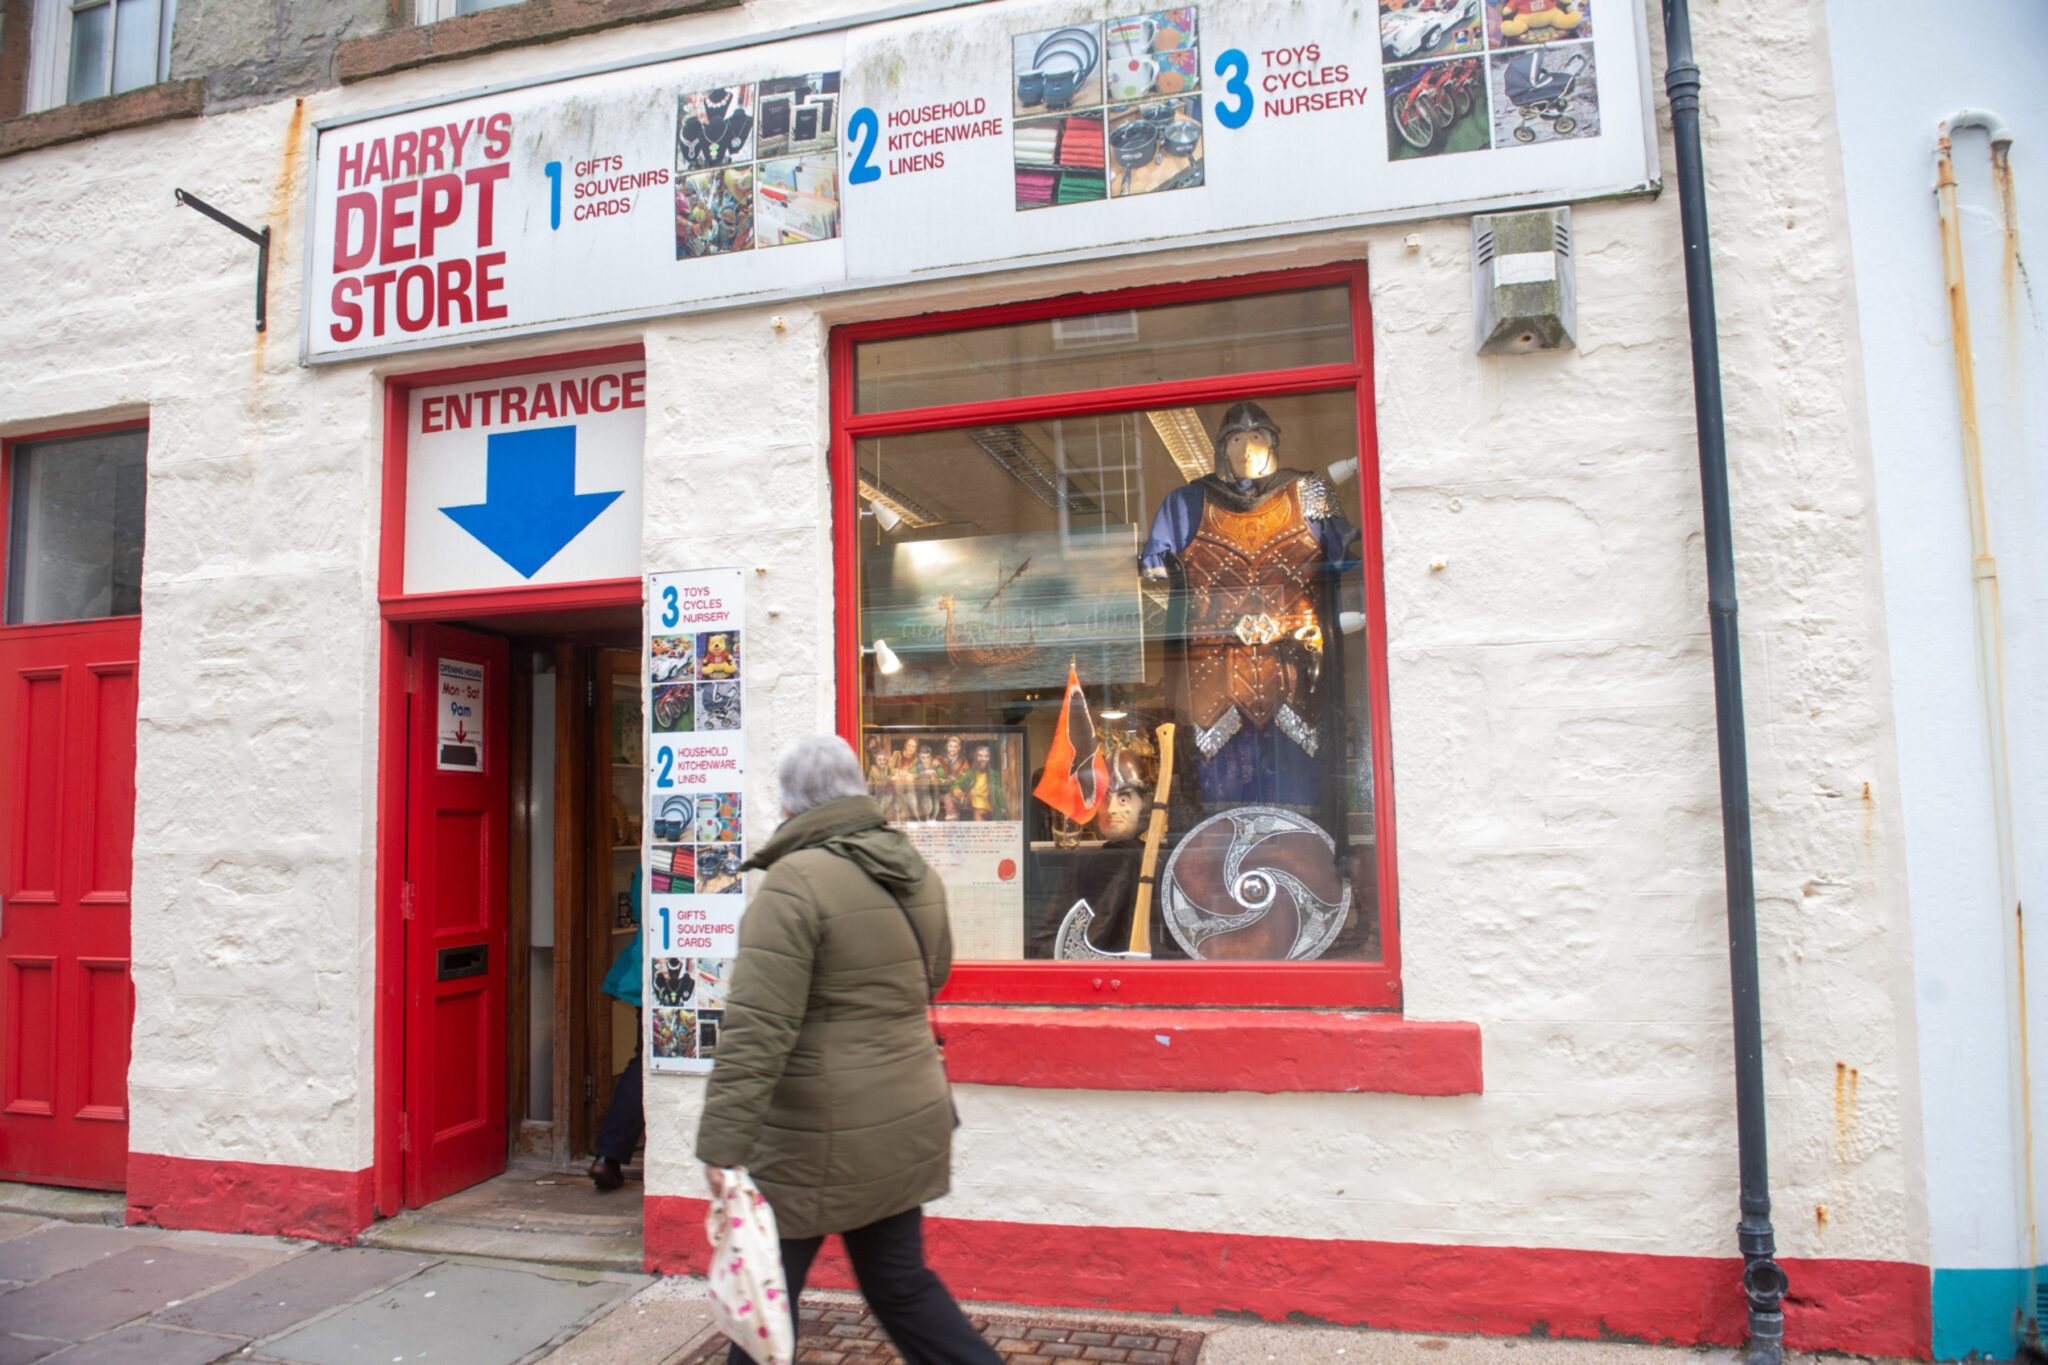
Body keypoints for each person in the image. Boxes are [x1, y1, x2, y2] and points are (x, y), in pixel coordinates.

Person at [697, 736, 1000, 1365]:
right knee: (901, 1286)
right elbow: (933, 974)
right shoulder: (912, 868)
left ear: (791, 803)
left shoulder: (794, 882)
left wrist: (721, 1146)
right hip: (903, 1118)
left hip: (814, 1136)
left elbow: (757, 1029)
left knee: (765, 1299)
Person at [590, 866, 642, 1192]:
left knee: (643, 1062)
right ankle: (609, 1154)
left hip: (651, 968)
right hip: (677, 969)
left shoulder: (652, 856)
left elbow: (639, 907)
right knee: (648, 1064)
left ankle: (608, 1155)